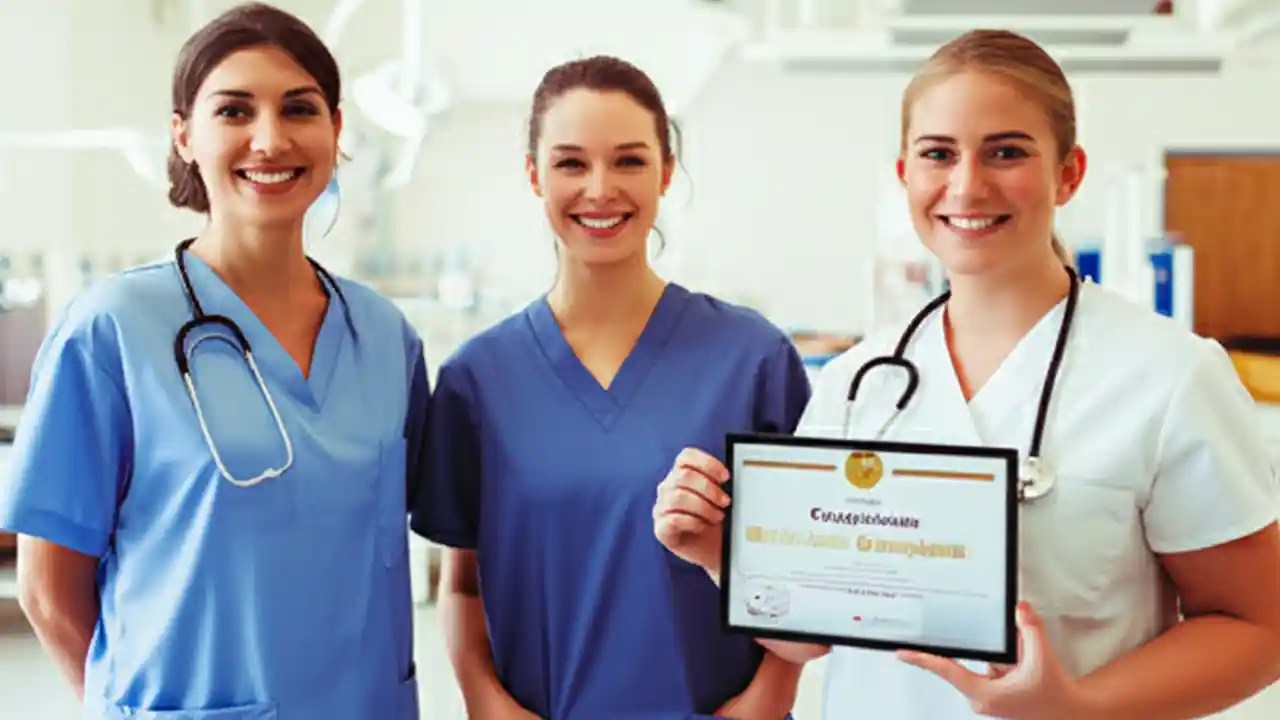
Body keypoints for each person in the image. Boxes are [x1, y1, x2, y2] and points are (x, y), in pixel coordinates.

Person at [654, 29, 1280, 720]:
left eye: (1006, 152)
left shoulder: (1168, 376)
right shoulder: (858, 383)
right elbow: (806, 638)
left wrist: (1077, 706)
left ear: (1068, 173)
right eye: (938, 154)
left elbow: (1258, 628)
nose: (967, 185)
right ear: (905, 175)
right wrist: (722, 556)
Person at [0, 4, 427, 718]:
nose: (270, 138)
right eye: (234, 111)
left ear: (335, 130)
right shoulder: (112, 330)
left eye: (299, 108)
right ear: (184, 136)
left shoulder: (384, 336)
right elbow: (48, 590)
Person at [411, 55, 813, 719]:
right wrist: (487, 704)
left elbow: (803, 576)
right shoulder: (477, 381)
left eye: (628, 161)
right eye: (571, 163)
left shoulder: (753, 361)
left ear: (666, 171)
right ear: (534, 175)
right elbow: (463, 586)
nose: (600, 189)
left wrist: (765, 704)